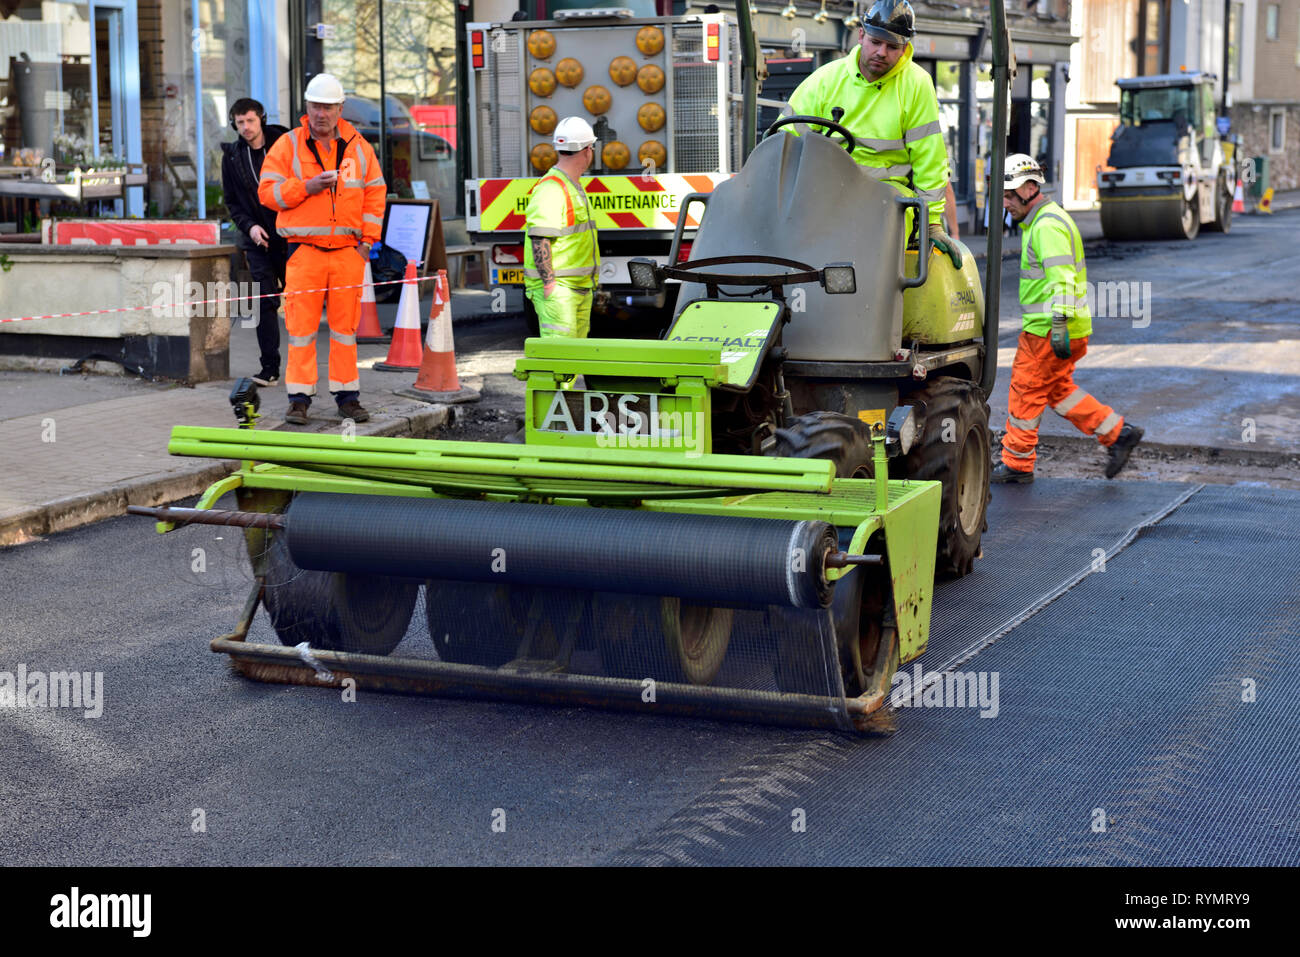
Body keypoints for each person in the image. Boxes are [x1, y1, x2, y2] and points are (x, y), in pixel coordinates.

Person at [992, 153, 1143, 483]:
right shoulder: (1046, 221)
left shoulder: (1046, 227)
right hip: (1061, 327)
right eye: (1002, 195)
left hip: (1049, 329)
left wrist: (1058, 323)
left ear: (1030, 188)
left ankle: (1017, 462)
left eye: (1008, 194)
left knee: (1026, 389)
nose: (1005, 203)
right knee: (1057, 390)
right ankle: (1118, 433)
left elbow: (1062, 279)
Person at [784, 0, 959, 264]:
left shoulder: (916, 85)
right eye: (876, 42)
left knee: (873, 231)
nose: (882, 52)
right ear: (861, 35)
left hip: (887, 195)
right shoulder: (825, 80)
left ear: (905, 49)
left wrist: (932, 222)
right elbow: (784, 141)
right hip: (826, 190)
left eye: (892, 47)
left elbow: (930, 160)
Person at [257, 73, 386, 426]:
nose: (321, 114)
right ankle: (299, 398)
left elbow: (376, 196)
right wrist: (306, 187)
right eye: (316, 106)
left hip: (347, 252)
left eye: (328, 107)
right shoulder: (287, 145)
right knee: (301, 330)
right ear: (307, 107)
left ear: (340, 108)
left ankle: (348, 398)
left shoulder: (359, 147)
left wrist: (366, 244)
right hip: (305, 251)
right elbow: (267, 193)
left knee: (346, 330)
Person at [221, 97, 289, 386]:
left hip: (291, 235)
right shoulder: (233, 156)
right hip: (257, 239)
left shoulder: (286, 143)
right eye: (240, 123)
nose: (246, 128)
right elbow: (232, 202)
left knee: (301, 302)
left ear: (261, 117)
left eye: (250, 120)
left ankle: (303, 369)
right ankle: (269, 368)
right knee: (263, 302)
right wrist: (249, 228)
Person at [523, 116, 600, 339]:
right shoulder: (552, 188)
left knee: (573, 361)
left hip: (577, 288)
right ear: (588, 150)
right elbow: (540, 239)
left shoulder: (570, 185)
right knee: (560, 362)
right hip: (561, 291)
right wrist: (550, 285)